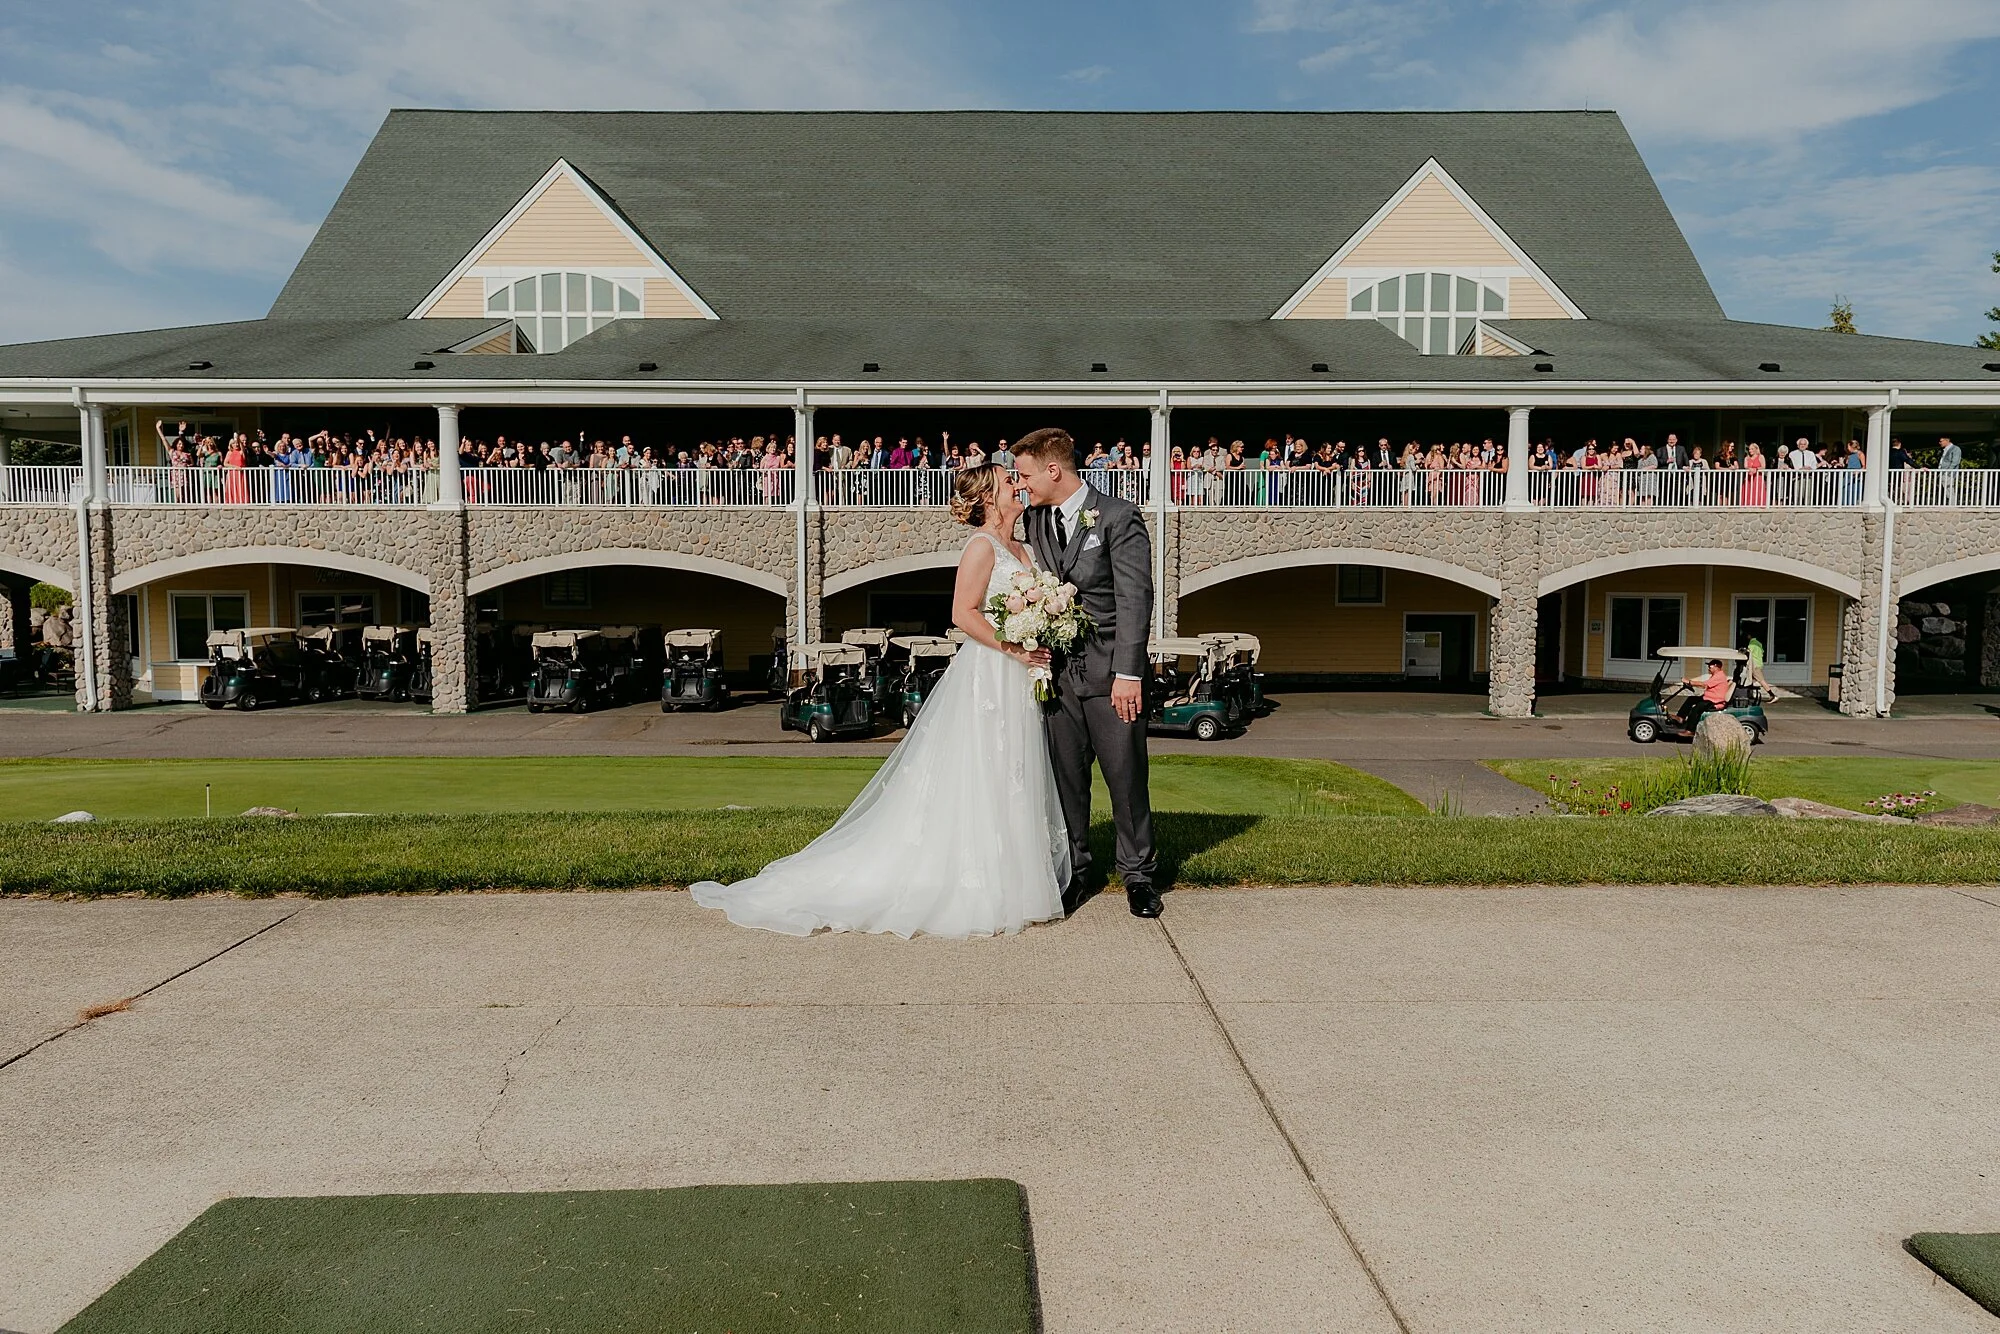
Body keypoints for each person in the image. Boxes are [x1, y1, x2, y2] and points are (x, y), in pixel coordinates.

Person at [690, 462, 1068, 938]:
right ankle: (976, 884)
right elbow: (962, 613)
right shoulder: (981, 547)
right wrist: (1015, 646)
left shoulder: (1027, 547)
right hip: (992, 672)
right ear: (989, 497)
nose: (1019, 484)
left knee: (1015, 769)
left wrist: (1040, 634)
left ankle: (1018, 881)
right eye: (1009, 480)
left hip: (1020, 676)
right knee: (985, 768)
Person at [1015, 427, 1160, 918]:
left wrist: (1129, 673)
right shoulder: (1035, 520)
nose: (1023, 485)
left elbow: (1136, 598)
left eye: (1027, 475)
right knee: (1066, 780)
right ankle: (1075, 872)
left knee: (1126, 776)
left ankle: (1138, 874)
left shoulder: (1119, 516)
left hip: (1110, 675)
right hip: (1055, 676)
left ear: (1054, 470)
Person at [1679, 658, 1732, 729]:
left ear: (1716, 666)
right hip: (1711, 699)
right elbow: (1705, 685)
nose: (1708, 668)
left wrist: (1689, 682)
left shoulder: (1719, 676)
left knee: (1696, 708)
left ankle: (1690, 730)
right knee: (1691, 699)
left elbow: (1704, 685)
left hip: (1715, 702)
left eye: (1710, 666)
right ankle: (1680, 718)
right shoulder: (1716, 675)